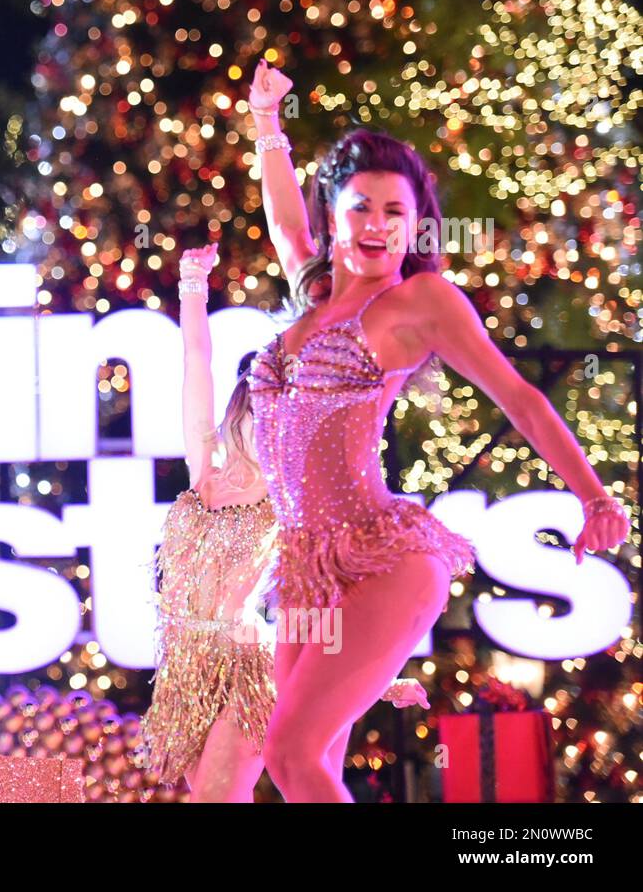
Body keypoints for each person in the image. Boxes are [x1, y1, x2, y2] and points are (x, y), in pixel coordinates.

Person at [244, 60, 630, 801]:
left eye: (397, 212)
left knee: (291, 753)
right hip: (304, 572)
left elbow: (520, 399)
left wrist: (593, 497)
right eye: (361, 208)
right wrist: (267, 123)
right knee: (302, 766)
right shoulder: (314, 292)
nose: (379, 227)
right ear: (335, 218)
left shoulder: (421, 300)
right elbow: (287, 221)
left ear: (418, 223)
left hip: (384, 562)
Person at [140, 246, 426, 802]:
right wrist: (192, 281)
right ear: (236, 414)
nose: (263, 433)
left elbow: (328, 602)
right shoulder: (204, 467)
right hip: (186, 667)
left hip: (252, 667)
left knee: (218, 798)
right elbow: (195, 360)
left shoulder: (287, 501)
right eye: (253, 420)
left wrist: (379, 679)